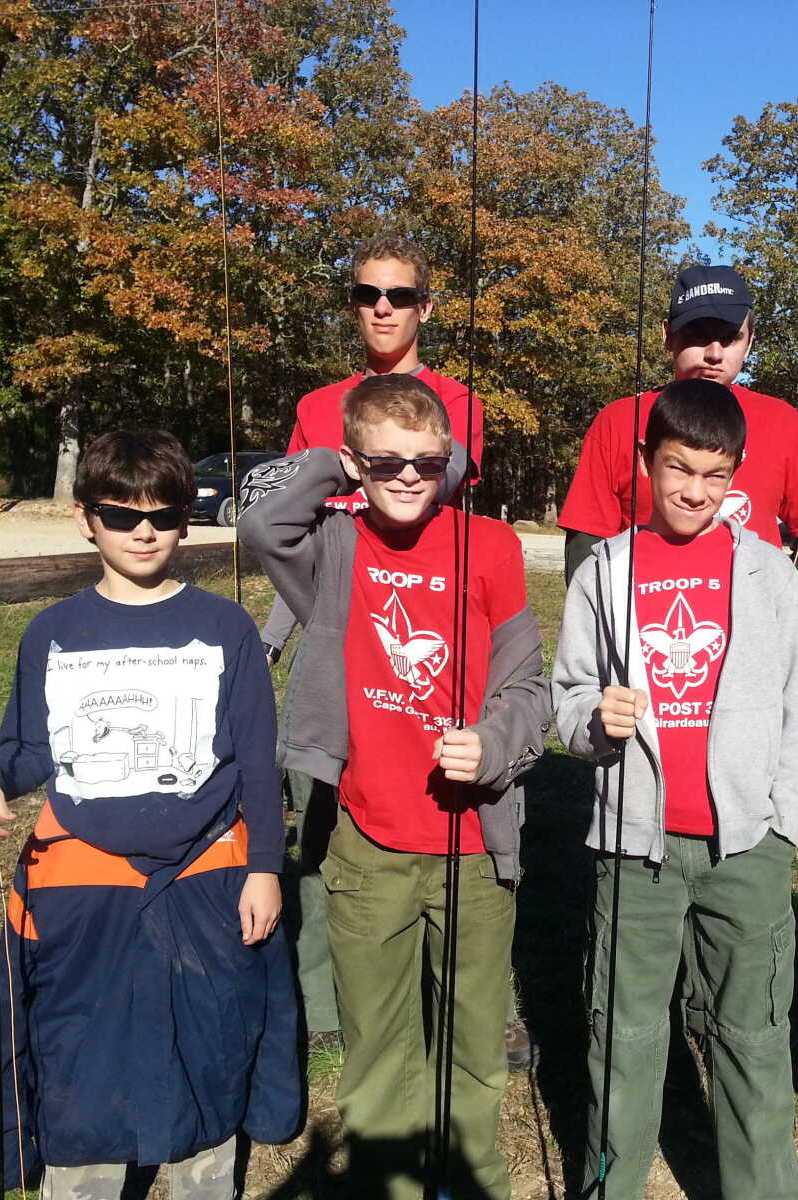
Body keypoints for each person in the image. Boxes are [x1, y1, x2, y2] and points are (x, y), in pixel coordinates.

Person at [0, 430, 299, 1197]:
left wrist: (265, 869)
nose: (143, 532)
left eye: (165, 515)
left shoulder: (226, 629)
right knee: (79, 1059)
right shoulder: (53, 633)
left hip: (207, 885)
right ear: (86, 519)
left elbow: (254, 759)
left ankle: (204, 1173)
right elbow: (28, 749)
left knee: (207, 1054)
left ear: (185, 520)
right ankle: (82, 1175)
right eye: (119, 514)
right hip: (83, 892)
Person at [238, 373, 549, 1200]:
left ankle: (473, 1180)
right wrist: (332, 469)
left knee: (473, 1039)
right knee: (377, 1044)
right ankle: (387, 1185)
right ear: (353, 465)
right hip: (367, 843)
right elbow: (263, 523)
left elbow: (530, 692)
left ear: (450, 462)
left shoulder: (493, 548)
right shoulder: (334, 549)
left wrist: (490, 744)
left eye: (426, 461)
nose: (407, 476)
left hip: (475, 848)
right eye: (384, 462)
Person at [552, 379, 798, 1200]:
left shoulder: (770, 574)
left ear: (736, 476)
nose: (694, 491)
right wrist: (592, 719)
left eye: (715, 476)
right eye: (678, 469)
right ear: (646, 462)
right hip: (633, 852)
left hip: (746, 847)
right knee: (625, 1033)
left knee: (753, 1031)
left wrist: (783, 822)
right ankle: (613, 1184)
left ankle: (761, 1187)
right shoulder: (604, 571)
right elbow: (567, 697)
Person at [255, 232, 498, 1056]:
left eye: (398, 295)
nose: (383, 308)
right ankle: (328, 998)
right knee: (319, 805)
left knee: (422, 797)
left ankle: (459, 995)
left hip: (416, 615)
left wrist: (370, 463)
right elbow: (289, 518)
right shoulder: (317, 406)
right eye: (367, 295)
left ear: (425, 306)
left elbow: (442, 480)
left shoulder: (458, 400)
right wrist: (272, 640)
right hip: (330, 604)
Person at [559, 263, 798, 613]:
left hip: (750, 629)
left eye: (729, 338)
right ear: (667, 335)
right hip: (641, 627)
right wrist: (604, 617)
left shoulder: (781, 421)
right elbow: (585, 539)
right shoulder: (619, 421)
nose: (714, 353)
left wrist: (783, 613)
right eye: (697, 336)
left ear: (750, 339)